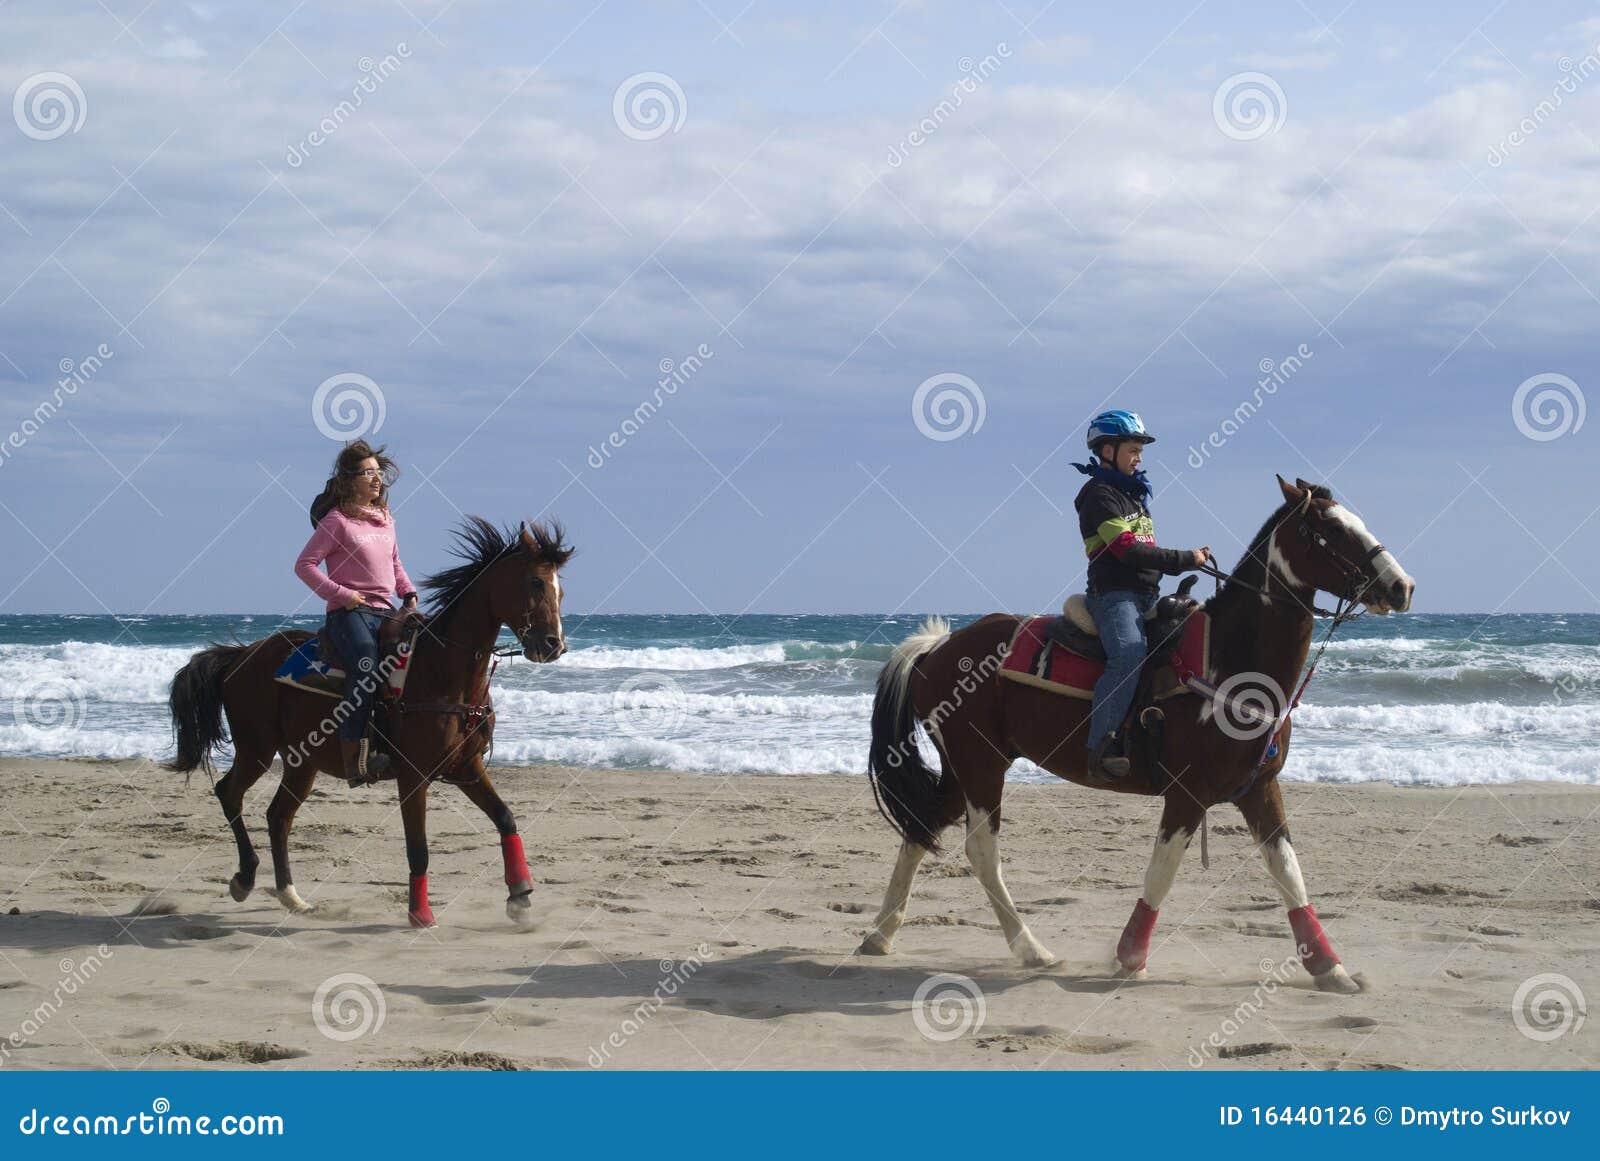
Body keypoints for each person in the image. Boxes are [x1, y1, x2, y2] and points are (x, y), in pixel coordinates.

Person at [1074, 411, 1210, 782]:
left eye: (1140, 452)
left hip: (1148, 595)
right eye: (1133, 450)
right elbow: (1128, 551)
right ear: (1107, 449)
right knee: (1129, 654)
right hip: (1114, 597)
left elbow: (1146, 551)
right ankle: (1100, 748)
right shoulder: (1098, 496)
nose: (1139, 458)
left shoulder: (1132, 497)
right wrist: (1186, 560)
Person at [293, 439, 419, 786]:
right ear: (349, 480)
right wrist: (343, 594)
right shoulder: (336, 522)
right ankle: (353, 761)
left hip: (386, 611)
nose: (377, 480)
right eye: (369, 473)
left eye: (379, 473)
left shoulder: (385, 519)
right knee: (366, 662)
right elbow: (304, 565)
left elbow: (394, 563)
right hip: (349, 614)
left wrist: (407, 591)